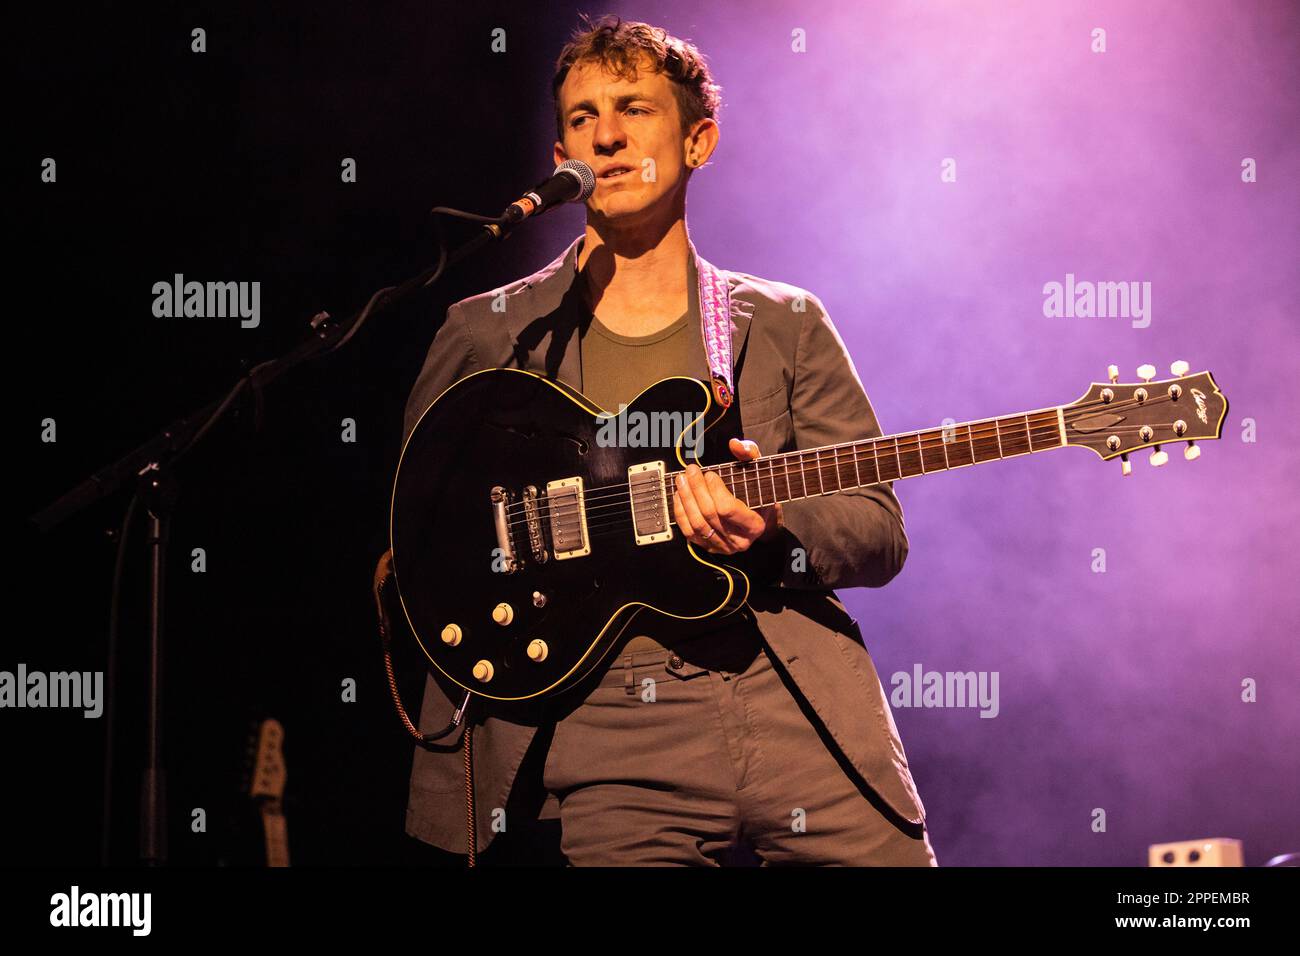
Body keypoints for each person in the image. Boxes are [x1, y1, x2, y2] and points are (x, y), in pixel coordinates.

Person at [401, 14, 936, 866]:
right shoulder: (489, 333)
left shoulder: (786, 323)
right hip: (605, 729)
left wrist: (778, 531)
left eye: (634, 109)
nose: (606, 135)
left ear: (699, 141)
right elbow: (421, 541)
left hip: (794, 701)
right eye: (582, 118)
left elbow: (878, 529)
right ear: (559, 155)